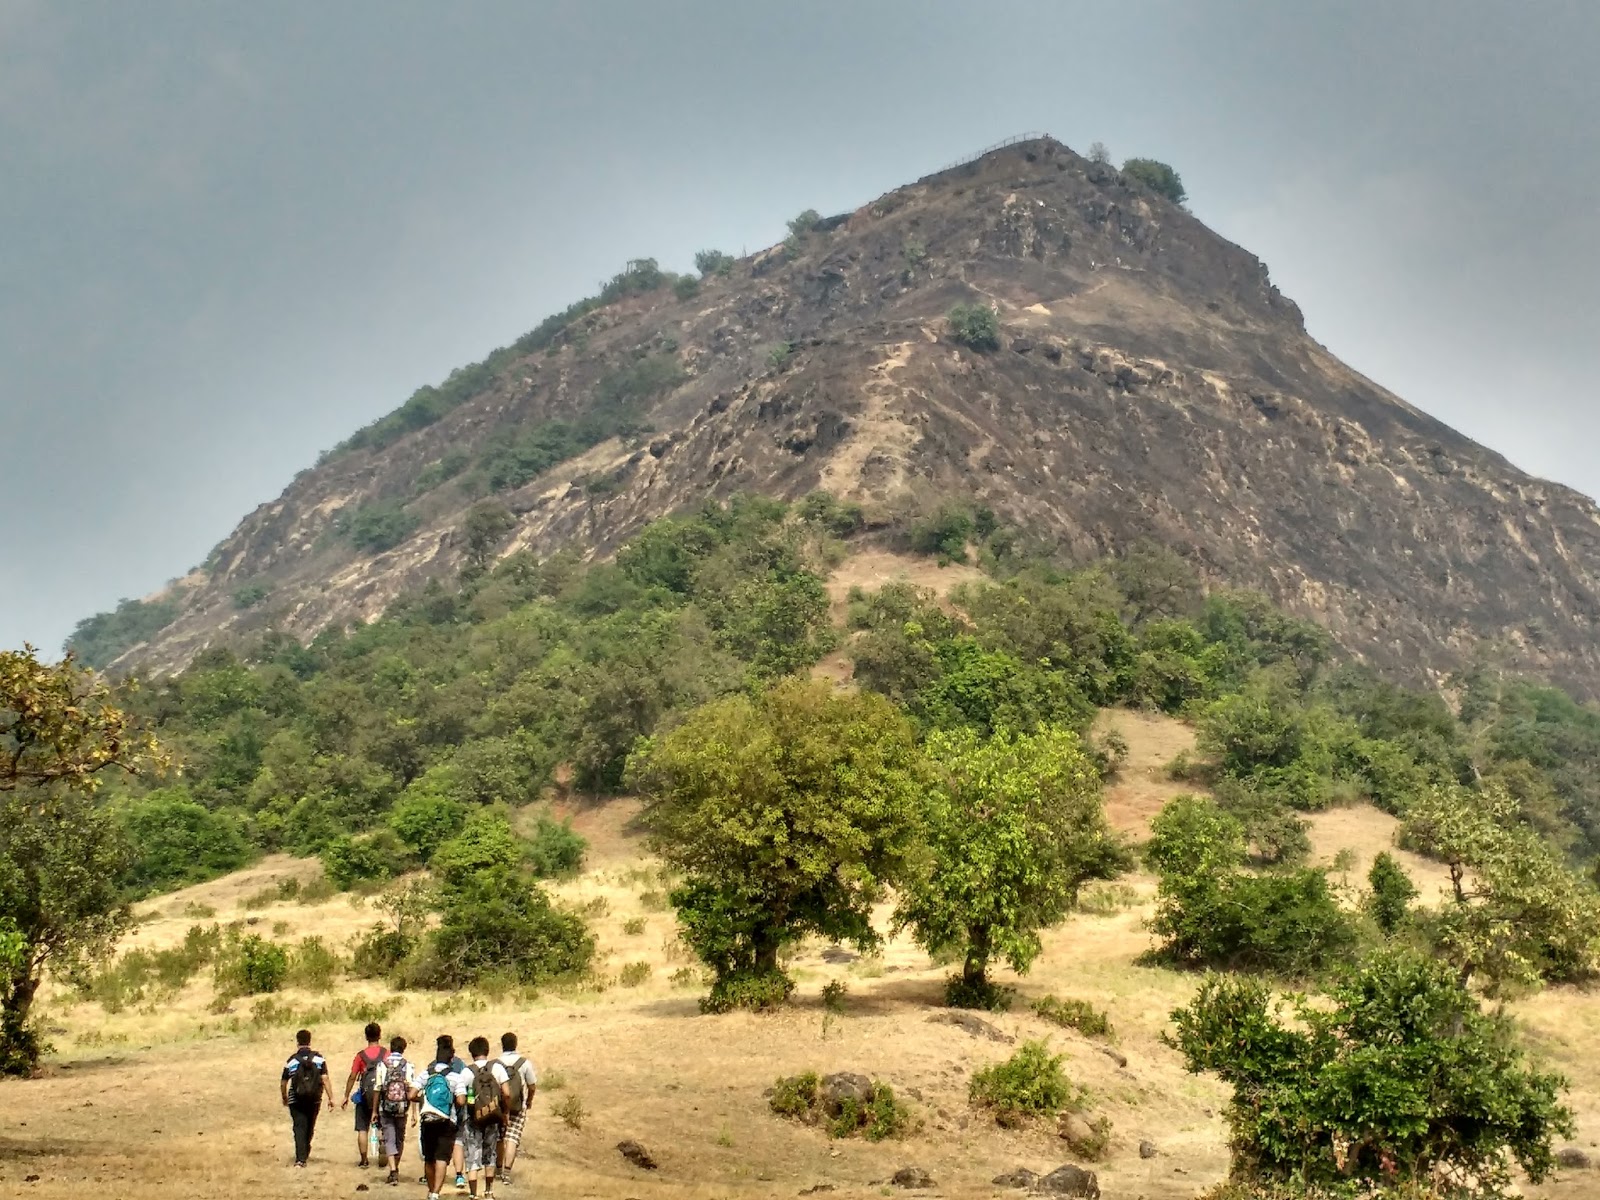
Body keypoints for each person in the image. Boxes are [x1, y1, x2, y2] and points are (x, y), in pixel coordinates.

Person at [458, 1036, 511, 1199]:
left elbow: (460, 1098)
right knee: (491, 1153)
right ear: (487, 1051)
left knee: (472, 1154)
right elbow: (507, 1093)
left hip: (473, 1119)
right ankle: (489, 1191)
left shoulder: (467, 1071)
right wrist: (505, 1113)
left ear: (471, 1053)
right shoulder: (497, 1068)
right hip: (493, 1116)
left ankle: (474, 1194)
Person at [418, 1035, 468, 1200]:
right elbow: (461, 1100)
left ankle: (430, 1188)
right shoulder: (456, 1074)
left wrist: (425, 1100)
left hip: (428, 1118)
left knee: (429, 1157)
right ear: (451, 1057)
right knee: (441, 1157)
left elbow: (411, 1093)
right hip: (448, 1120)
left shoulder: (428, 1071)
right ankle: (435, 1193)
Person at [280, 1028, 336, 1168]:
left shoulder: (292, 1061)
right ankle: (305, 1150)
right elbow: (325, 1079)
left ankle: (300, 1158)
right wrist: (331, 1097)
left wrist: (285, 1097)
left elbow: (284, 1082)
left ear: (297, 1042)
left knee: (299, 1127)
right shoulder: (319, 1059)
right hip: (314, 1099)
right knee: (310, 1126)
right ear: (309, 1041)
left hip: (296, 1099)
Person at [342, 1021, 389, 1168]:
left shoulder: (360, 1056)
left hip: (364, 1095)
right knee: (382, 1124)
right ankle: (382, 1146)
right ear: (379, 1035)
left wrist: (346, 1095)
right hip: (382, 1094)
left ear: (366, 1036)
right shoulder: (385, 1053)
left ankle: (364, 1160)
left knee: (362, 1128)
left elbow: (352, 1076)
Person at [373, 1034, 417, 1187]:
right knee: (400, 1138)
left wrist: (374, 1111)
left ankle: (393, 1171)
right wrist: (414, 1113)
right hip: (402, 1108)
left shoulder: (382, 1065)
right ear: (403, 1049)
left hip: (386, 1107)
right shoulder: (408, 1065)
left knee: (389, 1138)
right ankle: (395, 1166)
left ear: (390, 1048)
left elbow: (377, 1089)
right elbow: (412, 1090)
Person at [496, 1031, 538, 1186]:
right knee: (512, 1138)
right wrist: (529, 1101)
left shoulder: (496, 1063)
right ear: (515, 1044)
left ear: (502, 1045)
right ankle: (506, 1174)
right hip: (518, 1106)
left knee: (500, 1137)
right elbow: (532, 1085)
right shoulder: (524, 1063)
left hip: (500, 1106)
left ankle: (497, 1169)